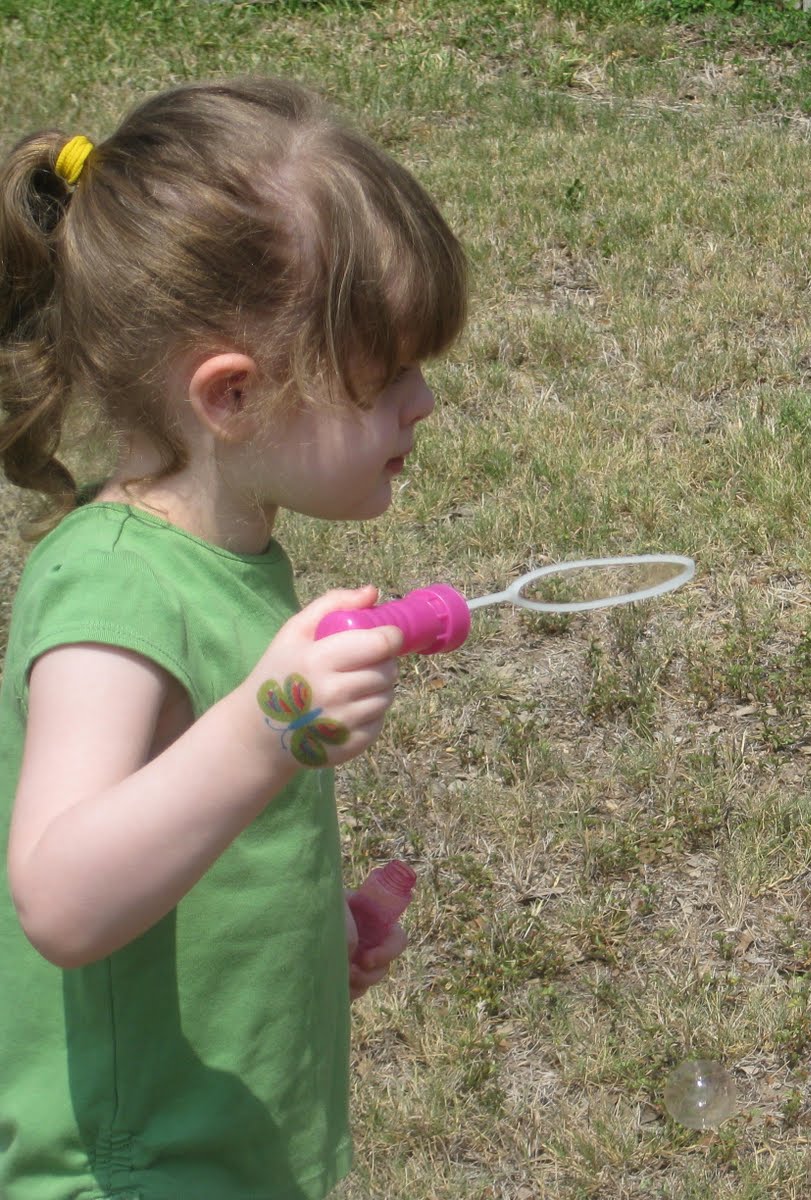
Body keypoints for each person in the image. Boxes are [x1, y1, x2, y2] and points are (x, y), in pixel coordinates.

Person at [0, 77, 467, 1199]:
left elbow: (177, 836)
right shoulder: (109, 596)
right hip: (134, 1173)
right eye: (386, 372)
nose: (424, 405)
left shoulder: (234, 553)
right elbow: (61, 899)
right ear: (233, 395)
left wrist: (299, 937)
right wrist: (269, 731)